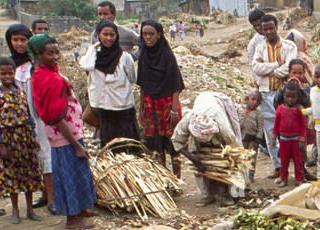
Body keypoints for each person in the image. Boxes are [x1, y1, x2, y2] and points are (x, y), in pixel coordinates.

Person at [29, 34, 95, 230]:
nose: (56, 56)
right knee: (69, 176)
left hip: (67, 134)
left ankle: (81, 209)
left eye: (57, 52)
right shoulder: (49, 79)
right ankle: (72, 218)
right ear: (39, 54)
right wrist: (76, 145)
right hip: (65, 137)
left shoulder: (44, 73)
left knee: (77, 171)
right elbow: (56, 116)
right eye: (50, 53)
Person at [6, 22, 54, 213]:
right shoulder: (10, 67)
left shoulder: (36, 64)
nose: (19, 44)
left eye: (23, 40)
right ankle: (42, 194)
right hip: (21, 120)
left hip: (40, 118)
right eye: (15, 40)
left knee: (46, 156)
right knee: (32, 158)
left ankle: (52, 198)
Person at [0, 55, 42, 223]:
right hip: (8, 139)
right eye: (3, 74)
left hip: (25, 137)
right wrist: (0, 144)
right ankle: (15, 210)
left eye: (10, 73)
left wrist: (34, 137)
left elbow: (29, 116)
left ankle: (30, 209)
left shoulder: (20, 91)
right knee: (12, 175)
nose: (7, 77)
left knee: (29, 173)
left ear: (14, 73)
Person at [171, 91, 243, 204]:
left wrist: (231, 160)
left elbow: (234, 145)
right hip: (202, 102)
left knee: (223, 161)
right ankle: (208, 194)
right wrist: (193, 158)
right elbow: (176, 140)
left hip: (216, 104)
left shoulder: (222, 125)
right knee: (199, 163)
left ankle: (226, 192)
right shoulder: (189, 119)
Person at [79, 19, 139, 145]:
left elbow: (132, 78)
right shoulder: (93, 57)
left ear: (117, 36)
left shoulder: (125, 57)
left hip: (124, 108)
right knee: (109, 145)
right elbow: (85, 65)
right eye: (104, 34)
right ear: (98, 35)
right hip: (104, 108)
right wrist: (93, 47)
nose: (108, 38)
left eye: (112, 35)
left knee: (128, 144)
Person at [135, 19, 184, 169]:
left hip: (168, 103)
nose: (148, 37)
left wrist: (174, 110)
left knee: (173, 144)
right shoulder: (143, 55)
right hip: (151, 103)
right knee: (157, 145)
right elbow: (143, 83)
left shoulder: (167, 56)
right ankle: (166, 179)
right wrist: (142, 108)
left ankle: (177, 181)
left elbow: (176, 84)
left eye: (151, 34)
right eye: (145, 34)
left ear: (159, 35)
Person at [250, 14, 297, 171]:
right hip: (266, 94)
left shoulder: (289, 46)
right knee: (271, 133)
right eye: (265, 29)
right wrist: (277, 64)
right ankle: (279, 168)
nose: (269, 31)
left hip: (284, 94)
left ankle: (296, 166)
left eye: (271, 28)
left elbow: (289, 68)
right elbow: (256, 68)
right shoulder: (259, 47)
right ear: (262, 31)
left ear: (277, 27)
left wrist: (268, 69)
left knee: (290, 130)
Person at [273, 82, 307, 186]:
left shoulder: (298, 110)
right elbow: (276, 124)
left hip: (296, 140)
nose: (290, 99)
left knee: (298, 161)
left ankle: (299, 179)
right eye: (288, 96)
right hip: (283, 140)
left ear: (297, 97)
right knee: (284, 161)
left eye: (293, 97)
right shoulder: (280, 109)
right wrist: (274, 136)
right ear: (283, 96)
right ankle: (284, 178)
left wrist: (302, 138)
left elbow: (303, 125)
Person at [239, 89, 264, 183]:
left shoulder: (258, 114)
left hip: (253, 140)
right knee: (241, 157)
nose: (255, 102)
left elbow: (261, 128)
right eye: (253, 99)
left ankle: (251, 175)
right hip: (242, 138)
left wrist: (258, 140)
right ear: (247, 99)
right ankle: (242, 174)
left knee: (252, 158)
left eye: (257, 101)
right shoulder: (240, 110)